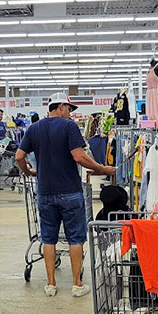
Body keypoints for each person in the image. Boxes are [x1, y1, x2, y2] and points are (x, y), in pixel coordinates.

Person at [16, 92, 116, 298]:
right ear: (60, 107)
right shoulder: (69, 127)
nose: (70, 113)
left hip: (45, 192)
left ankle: (51, 285)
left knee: (49, 239)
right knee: (74, 238)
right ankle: (77, 285)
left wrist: (30, 172)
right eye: (69, 109)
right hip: (70, 192)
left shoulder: (34, 128)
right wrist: (102, 169)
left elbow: (19, 156)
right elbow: (78, 156)